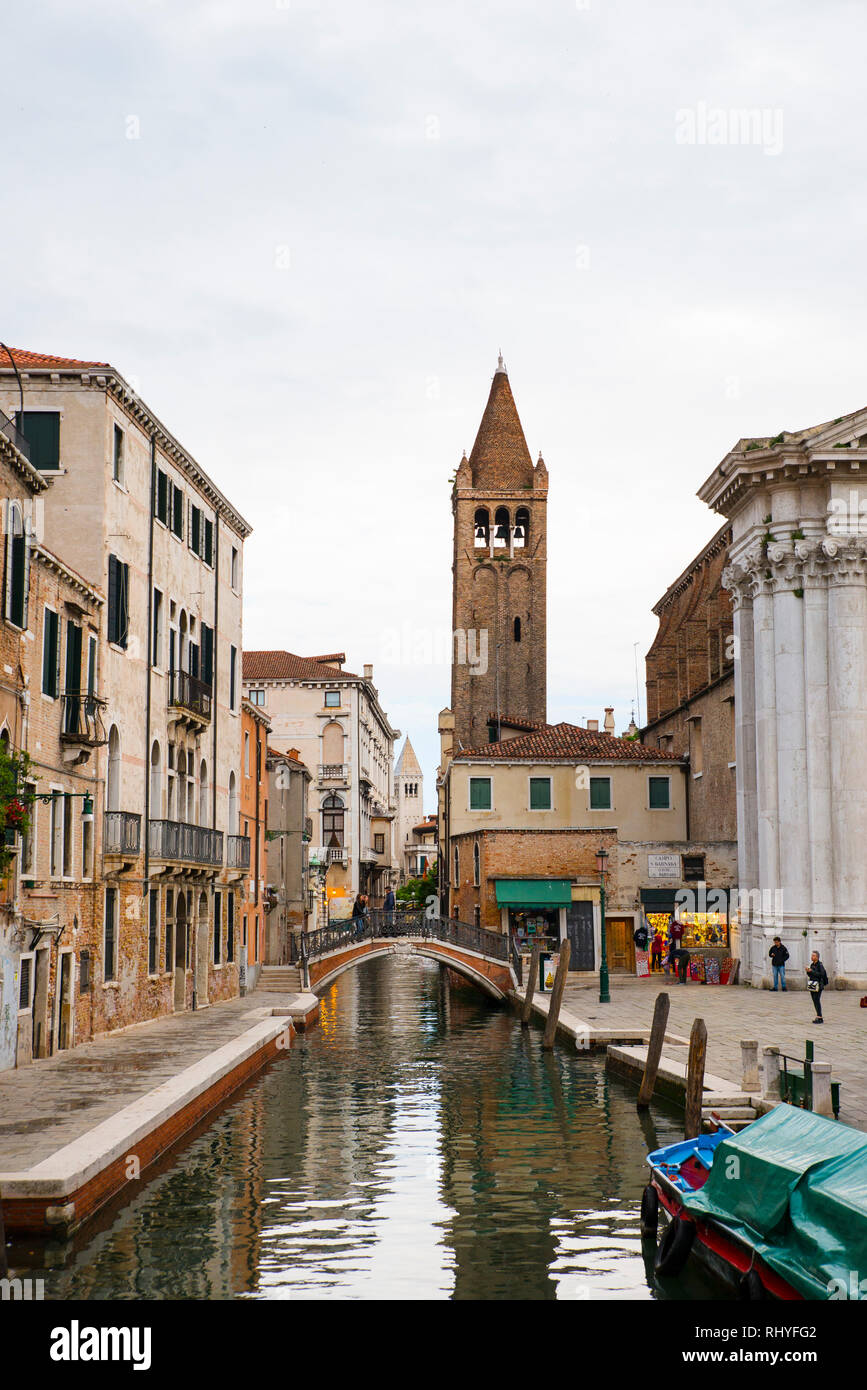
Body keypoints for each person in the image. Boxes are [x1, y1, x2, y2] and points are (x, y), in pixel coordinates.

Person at [806, 951, 828, 1023]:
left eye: (813, 956)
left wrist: (811, 971)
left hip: (818, 985)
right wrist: (808, 971)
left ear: (817, 957)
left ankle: (820, 1017)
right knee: (814, 1000)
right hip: (813, 984)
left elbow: (821, 974)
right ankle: (818, 1016)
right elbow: (811, 975)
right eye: (812, 956)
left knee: (817, 1000)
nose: (812, 957)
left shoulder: (820, 965)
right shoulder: (812, 964)